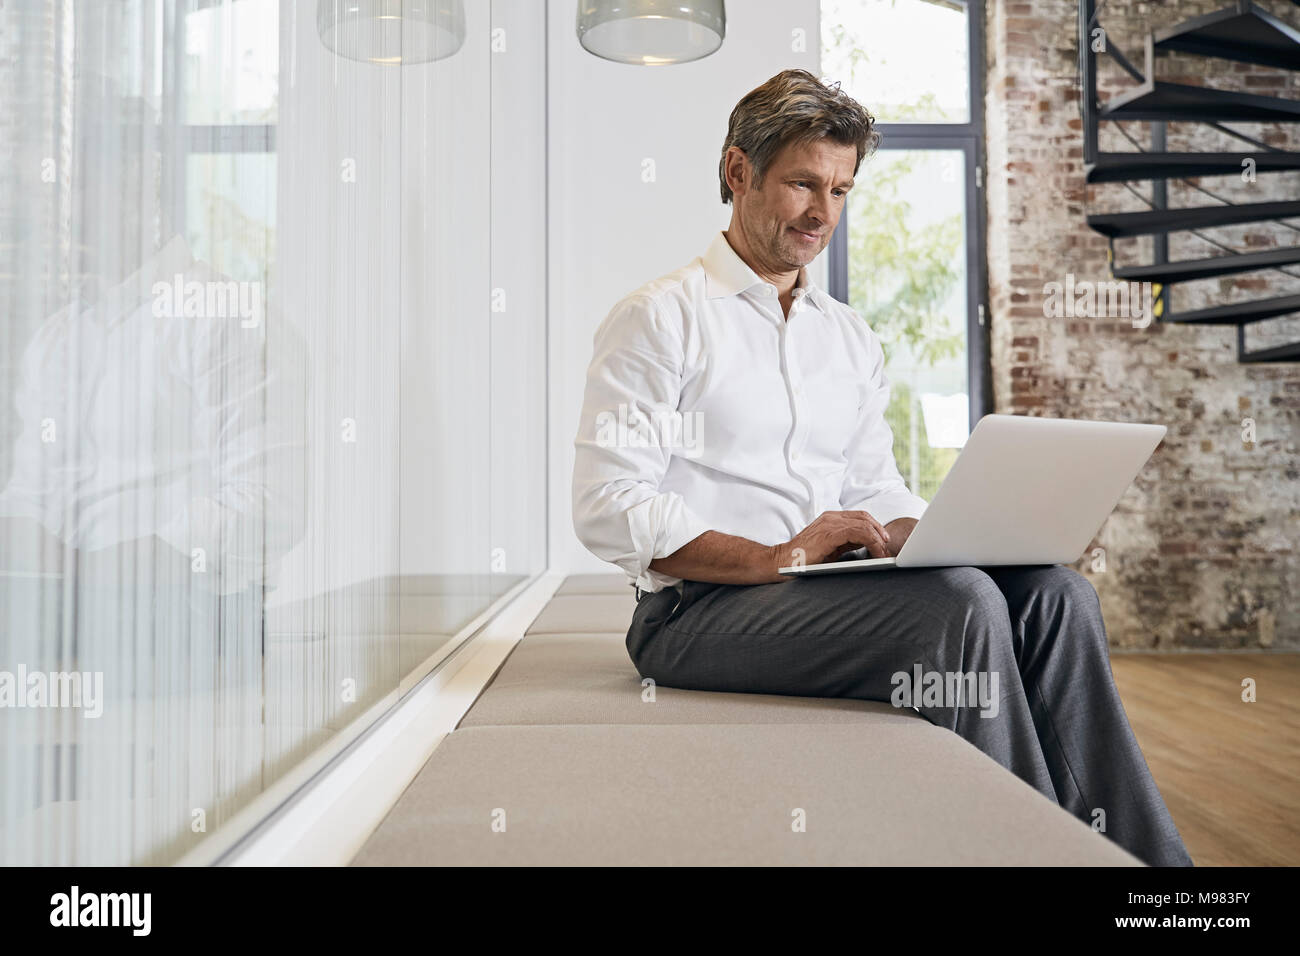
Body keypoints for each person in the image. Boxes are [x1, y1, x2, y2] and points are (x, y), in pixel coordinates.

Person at [571, 68, 1192, 868]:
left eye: (840, 189)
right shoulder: (658, 318)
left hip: (819, 595)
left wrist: (915, 529)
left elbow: (872, 483)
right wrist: (776, 556)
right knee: (960, 604)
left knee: (1056, 595)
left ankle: (1161, 883)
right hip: (695, 615)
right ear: (737, 173)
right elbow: (606, 504)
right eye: (802, 183)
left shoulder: (849, 337)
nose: (822, 212)